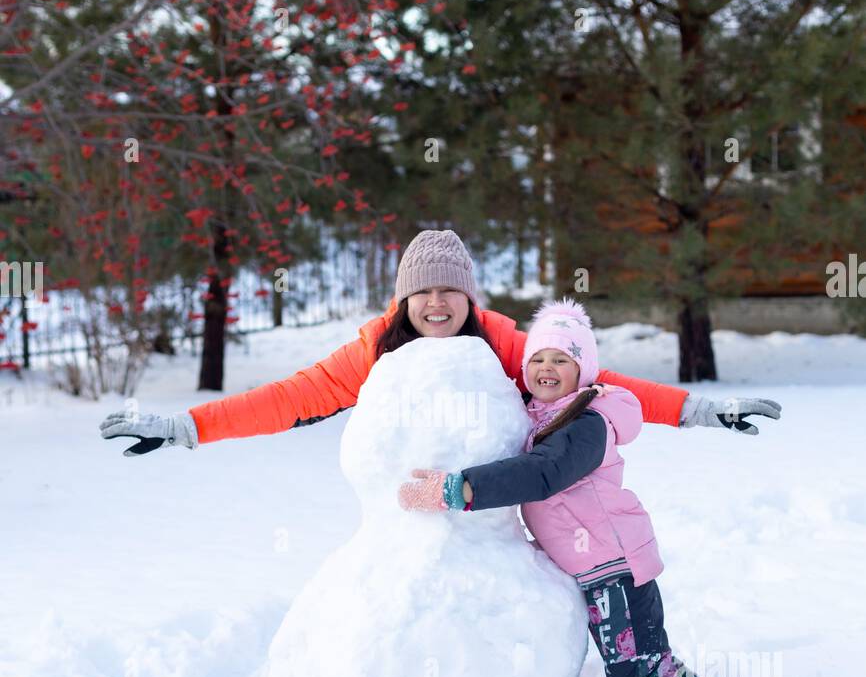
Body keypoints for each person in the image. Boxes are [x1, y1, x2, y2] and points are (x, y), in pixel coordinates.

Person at [398, 297, 781, 677]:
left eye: (561, 359)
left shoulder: (588, 422)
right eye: (536, 359)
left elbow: (543, 474)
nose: (546, 368)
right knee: (648, 670)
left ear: (584, 369)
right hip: (600, 568)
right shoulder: (542, 415)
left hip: (615, 569)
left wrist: (459, 489)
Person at [100, 228, 782, 454]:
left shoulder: (503, 342)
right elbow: (287, 399)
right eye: (422, 291)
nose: (435, 301)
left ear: (467, 298)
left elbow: (597, 387)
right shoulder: (376, 348)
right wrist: (187, 425)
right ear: (404, 299)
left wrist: (693, 408)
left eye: (448, 290)